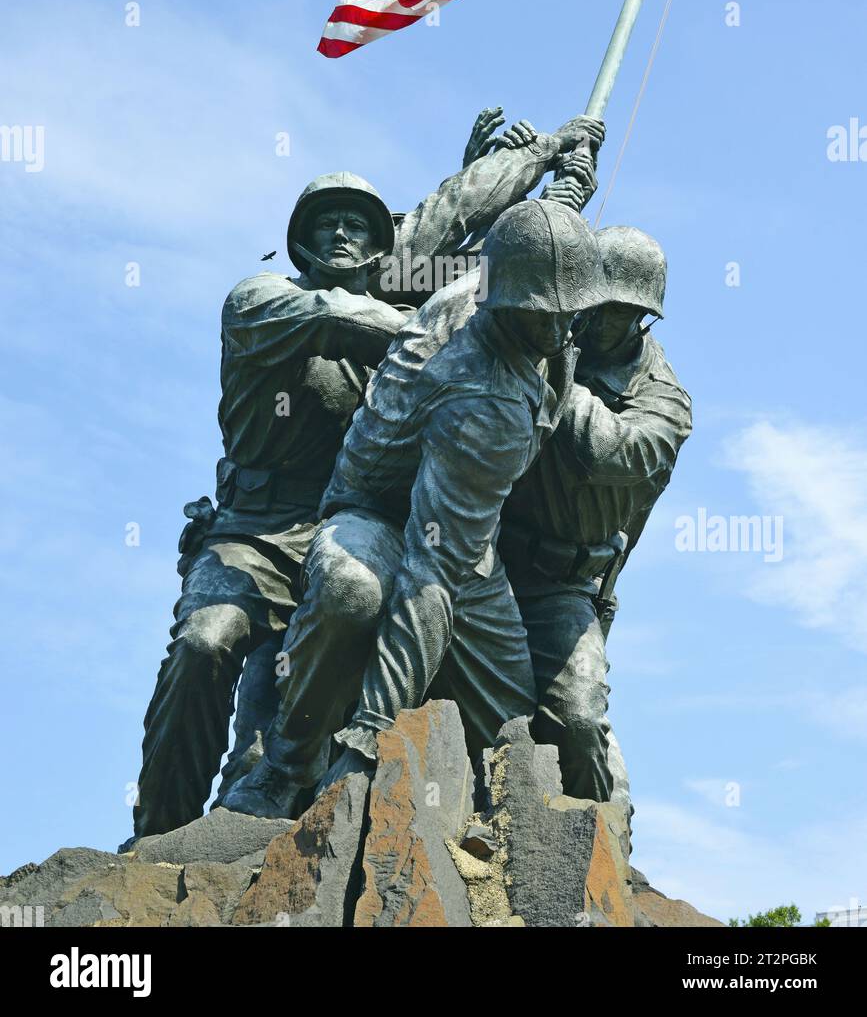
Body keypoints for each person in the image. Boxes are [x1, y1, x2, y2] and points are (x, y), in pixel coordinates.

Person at [125, 109, 602, 843]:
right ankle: (157, 836)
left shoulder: (403, 286)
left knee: (297, 699)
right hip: (255, 537)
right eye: (324, 226)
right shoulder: (262, 301)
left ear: (381, 242)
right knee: (206, 642)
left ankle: (307, 800)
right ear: (299, 242)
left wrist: (546, 161)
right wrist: (453, 319)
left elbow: (461, 222)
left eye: (357, 226)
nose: (341, 236)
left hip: (353, 525)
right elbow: (363, 313)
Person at [221, 198, 606, 818]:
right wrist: (368, 741)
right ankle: (287, 764)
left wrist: (556, 191)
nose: (559, 332)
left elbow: (532, 247)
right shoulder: (483, 400)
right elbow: (429, 578)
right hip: (378, 515)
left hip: (468, 536)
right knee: (355, 591)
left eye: (571, 314)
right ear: (505, 302)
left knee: (511, 729)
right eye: (543, 317)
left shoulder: (513, 285)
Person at [497, 225, 692, 808]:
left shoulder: (664, 402)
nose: (595, 319)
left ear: (643, 318)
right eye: (592, 301)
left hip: (563, 585)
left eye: (615, 311)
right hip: (484, 555)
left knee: (579, 724)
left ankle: (600, 843)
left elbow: (612, 452)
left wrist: (559, 368)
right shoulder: (552, 331)